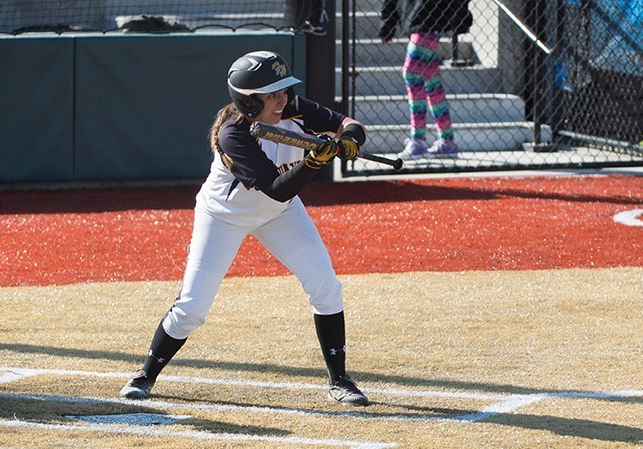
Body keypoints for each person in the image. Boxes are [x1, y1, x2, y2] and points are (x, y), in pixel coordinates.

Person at [119, 51, 371, 406]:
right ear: (248, 101)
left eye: (283, 89)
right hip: (224, 214)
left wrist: (351, 141)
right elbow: (276, 186)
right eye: (271, 93)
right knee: (193, 307)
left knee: (326, 286)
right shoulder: (234, 134)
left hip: (279, 213)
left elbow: (347, 122)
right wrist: (316, 160)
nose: (281, 98)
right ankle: (145, 375)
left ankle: (340, 380)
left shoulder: (293, 108)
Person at [379, 0, 472, 159]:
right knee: (431, 81)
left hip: (428, 17)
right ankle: (446, 139)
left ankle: (418, 140)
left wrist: (461, 16)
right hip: (420, 18)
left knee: (412, 73)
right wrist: (388, 24)